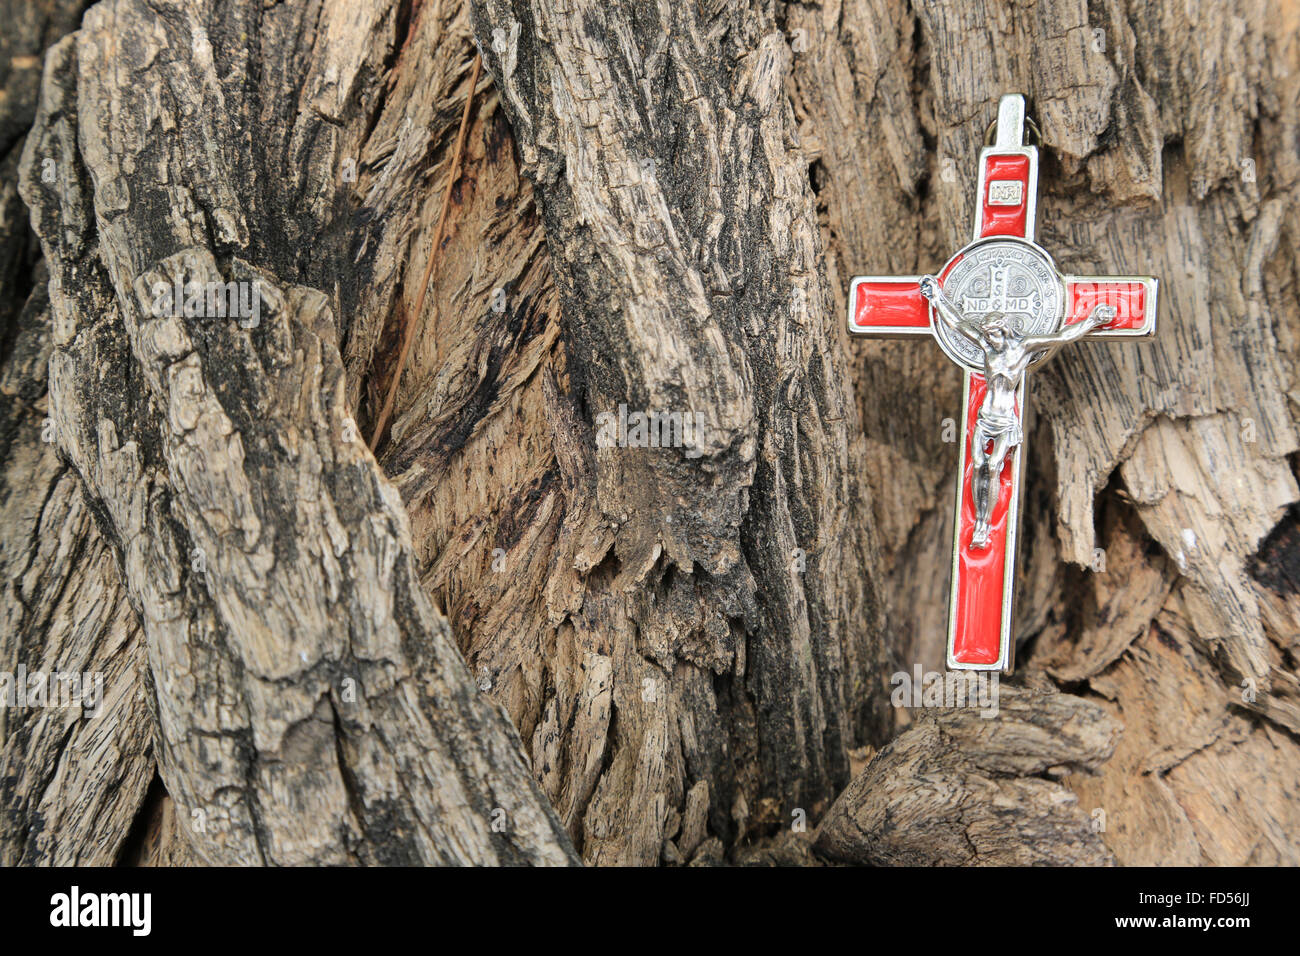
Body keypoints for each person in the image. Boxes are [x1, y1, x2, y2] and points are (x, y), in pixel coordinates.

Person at [919, 274, 1115, 549]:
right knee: (978, 465)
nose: (990, 338)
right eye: (987, 334)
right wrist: (937, 296)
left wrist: (1093, 321)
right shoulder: (986, 346)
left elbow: (1062, 336)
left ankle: (984, 525)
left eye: (995, 333)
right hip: (985, 418)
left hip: (1005, 420)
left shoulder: (1022, 347)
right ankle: (980, 523)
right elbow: (957, 322)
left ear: (1005, 330)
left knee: (995, 465)